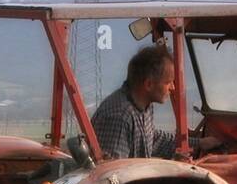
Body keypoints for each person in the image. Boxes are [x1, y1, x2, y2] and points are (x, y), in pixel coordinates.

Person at [90, 44, 221, 161]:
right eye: (168, 82)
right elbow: (114, 177)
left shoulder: (143, 106)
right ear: (148, 84)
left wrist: (198, 143)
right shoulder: (119, 117)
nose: (173, 87)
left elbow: (152, 139)